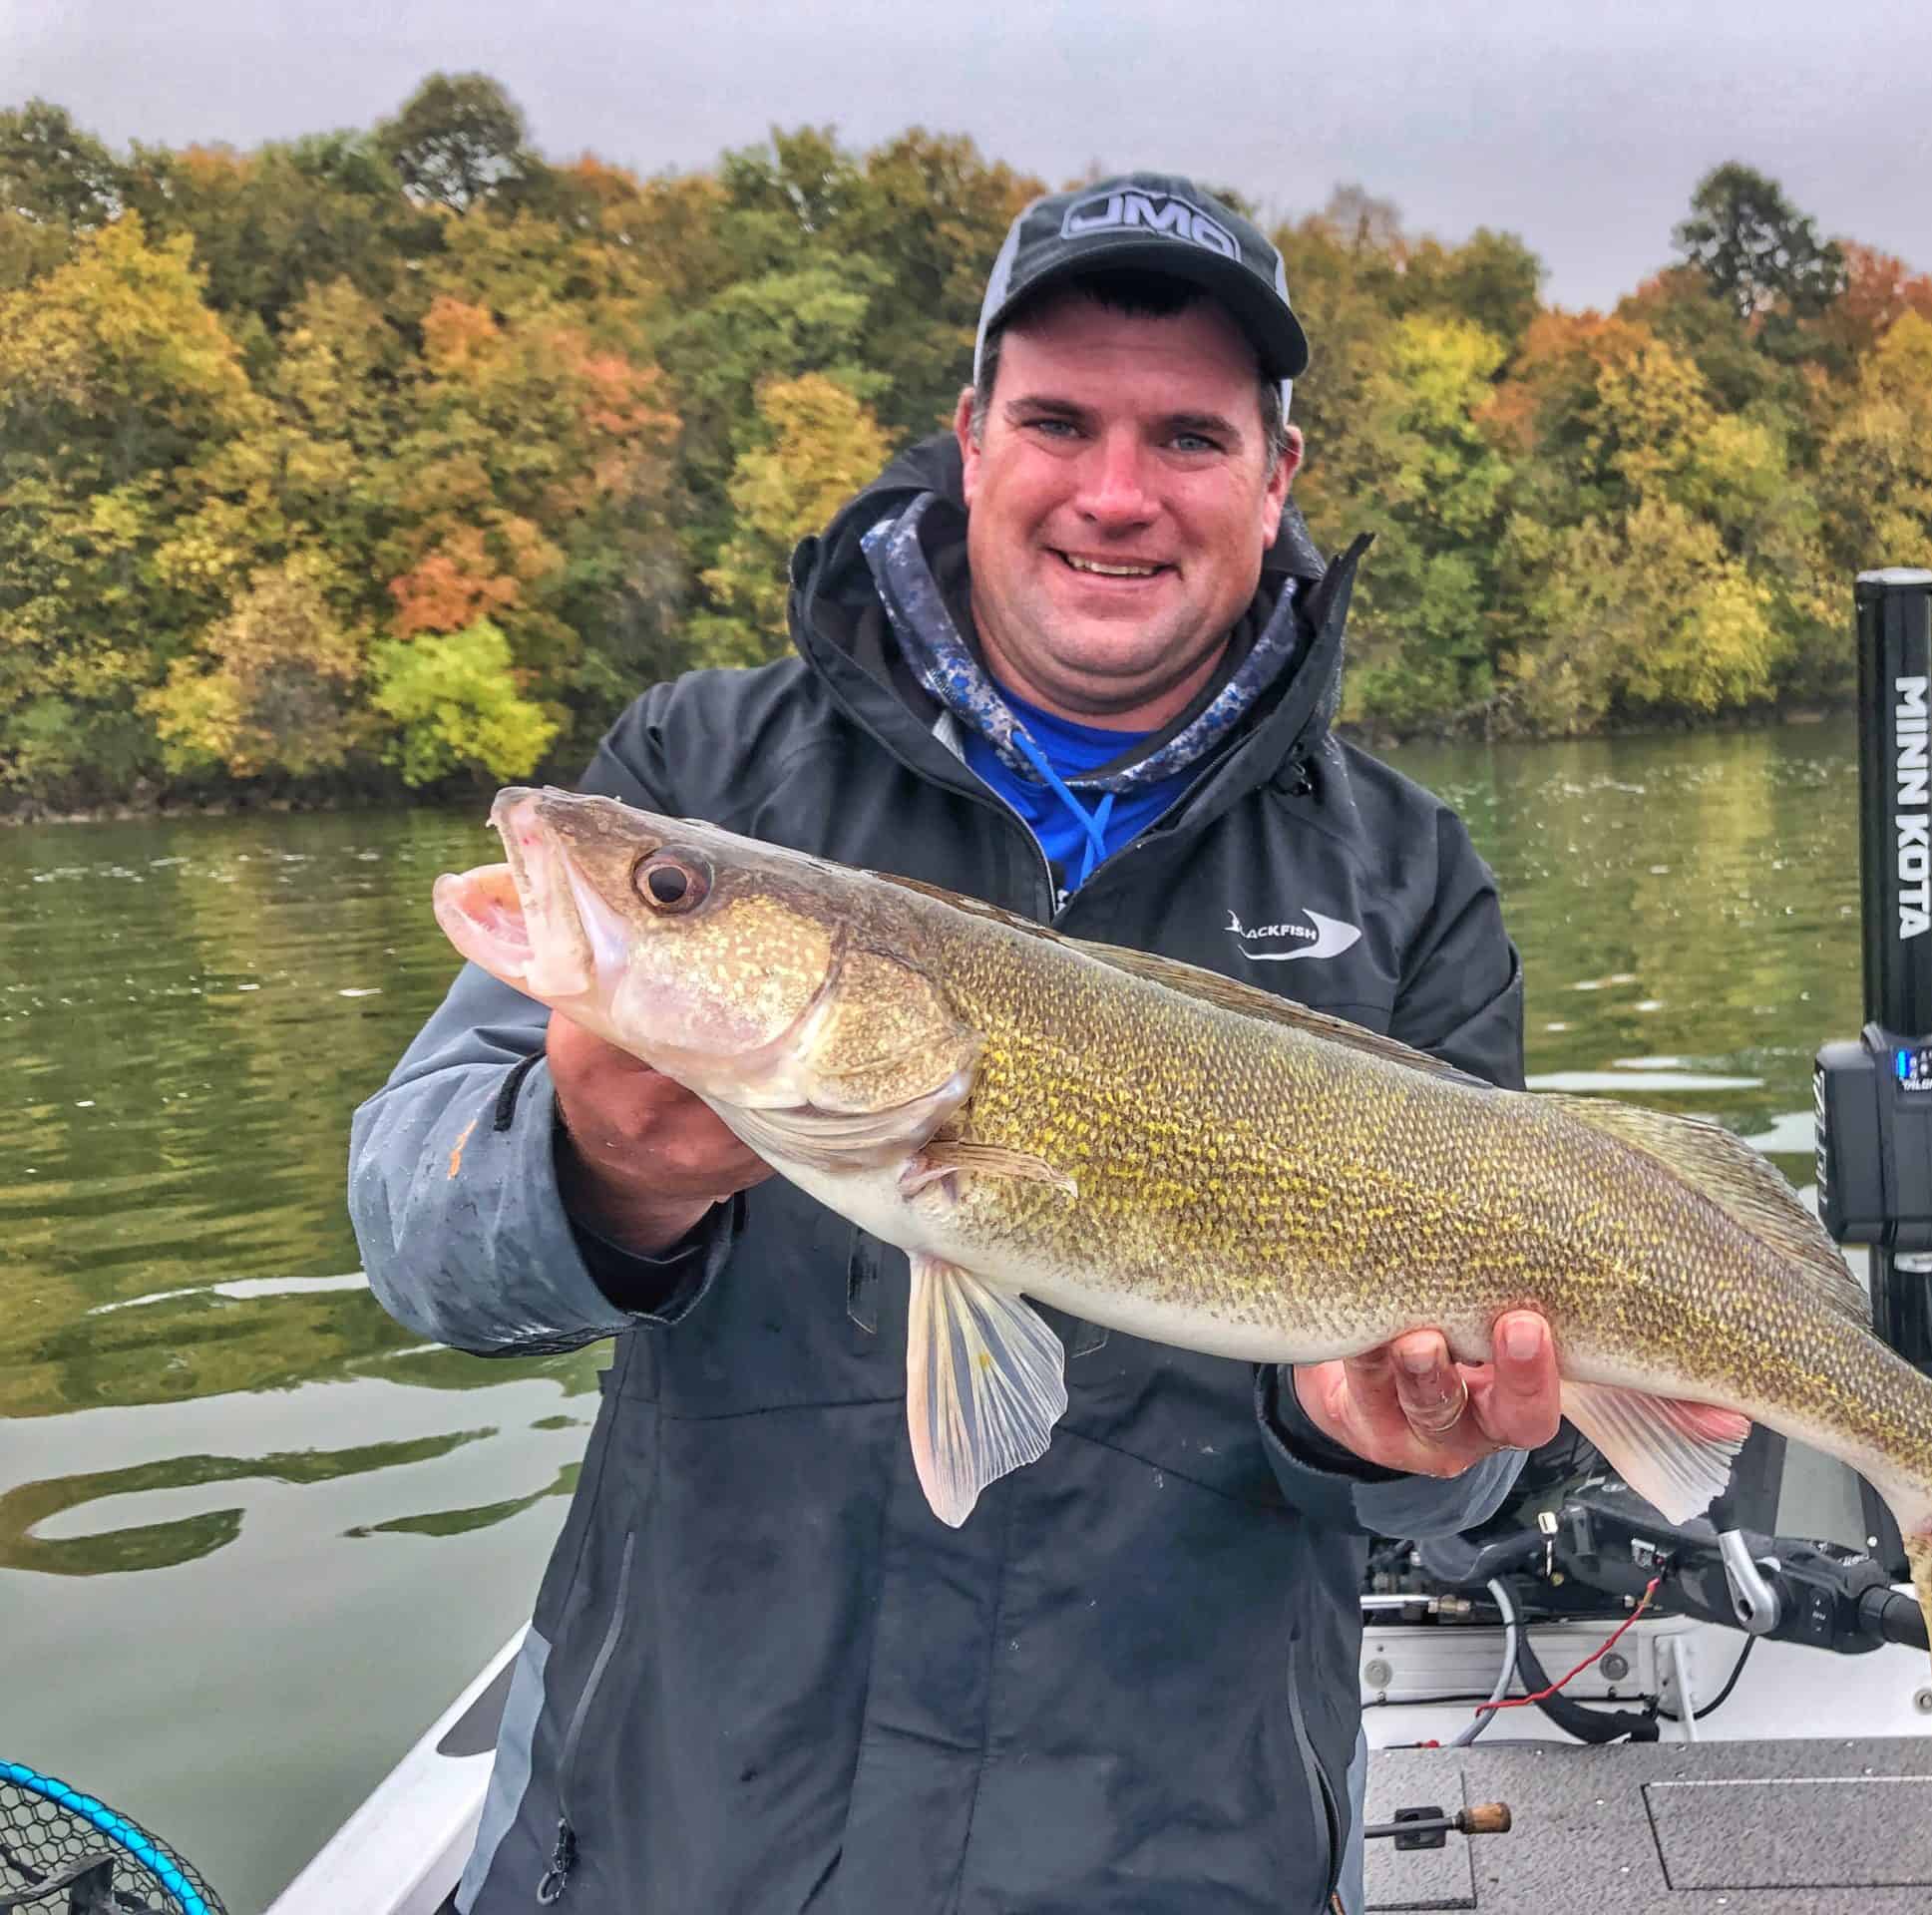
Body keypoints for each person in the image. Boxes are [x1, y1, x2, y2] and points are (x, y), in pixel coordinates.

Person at [350, 173, 1560, 1915]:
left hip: (1182, 1859)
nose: (1117, 493)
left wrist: (1384, 1436)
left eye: (1191, 437)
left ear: (1277, 477)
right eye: (1059, 421)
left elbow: (1478, 1476)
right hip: (670, 1839)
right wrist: (593, 1174)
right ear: (974, 438)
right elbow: (416, 1232)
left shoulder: (1407, 878)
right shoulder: (701, 772)